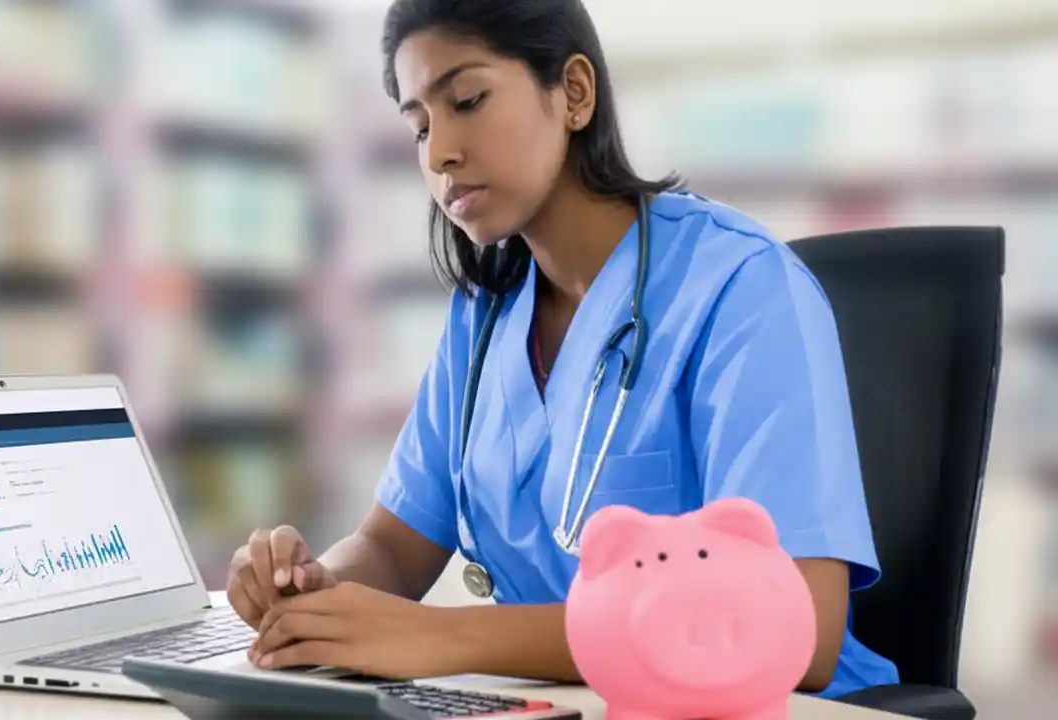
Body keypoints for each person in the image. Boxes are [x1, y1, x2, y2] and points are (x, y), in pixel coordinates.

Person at [228, 0, 899, 698]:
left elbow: (798, 629)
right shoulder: (485, 315)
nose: (438, 153)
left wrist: (441, 637)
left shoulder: (740, 289)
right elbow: (394, 547)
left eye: (467, 100)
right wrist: (314, 594)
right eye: (419, 125)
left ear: (574, 92)